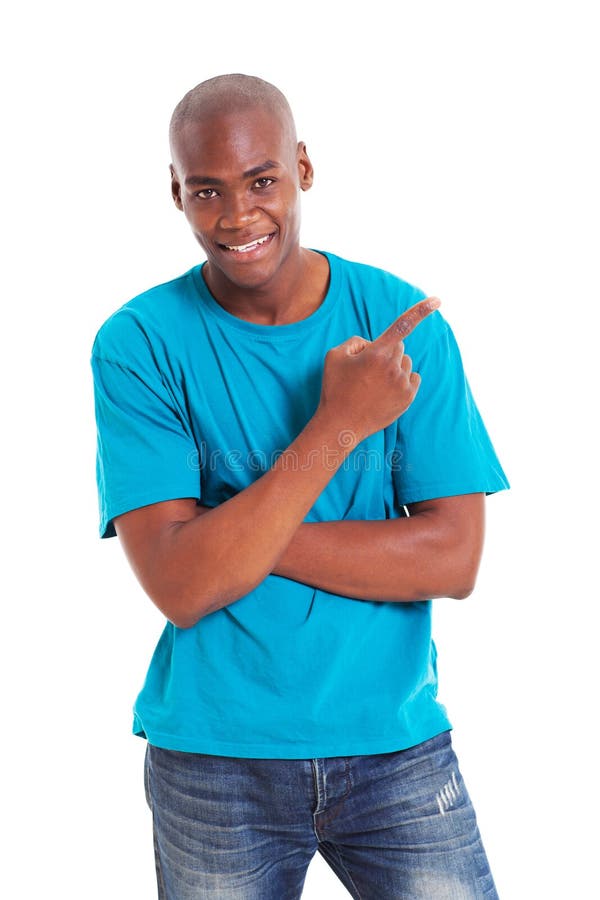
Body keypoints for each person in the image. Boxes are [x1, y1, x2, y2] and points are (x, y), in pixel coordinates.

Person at [91, 73, 509, 899]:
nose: (237, 216)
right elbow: (180, 586)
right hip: (215, 760)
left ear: (303, 169)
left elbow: (454, 560)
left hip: (395, 747)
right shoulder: (136, 344)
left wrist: (232, 540)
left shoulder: (398, 325)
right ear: (175, 191)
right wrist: (338, 425)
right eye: (206, 189)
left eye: (261, 181)